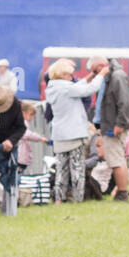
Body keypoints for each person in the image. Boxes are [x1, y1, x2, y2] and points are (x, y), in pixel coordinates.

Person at [44, 59, 104, 204]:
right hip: (74, 134)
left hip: (59, 135)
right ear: (62, 75)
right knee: (77, 168)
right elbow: (89, 90)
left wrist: (89, 77)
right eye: (69, 75)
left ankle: (59, 198)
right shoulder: (66, 88)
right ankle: (78, 198)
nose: (72, 77)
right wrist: (101, 74)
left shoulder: (53, 88)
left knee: (61, 169)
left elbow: (77, 86)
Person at [86, 55, 129, 202]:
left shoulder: (117, 76)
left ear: (100, 66)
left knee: (116, 160)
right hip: (110, 124)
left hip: (114, 125)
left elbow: (124, 102)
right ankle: (121, 192)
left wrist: (120, 124)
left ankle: (122, 193)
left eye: (94, 71)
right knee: (116, 159)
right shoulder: (112, 75)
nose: (94, 74)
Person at [0, 84, 27, 215]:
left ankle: (9, 211)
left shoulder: (15, 104)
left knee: (10, 177)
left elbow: (21, 127)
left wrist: (11, 141)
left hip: (10, 146)